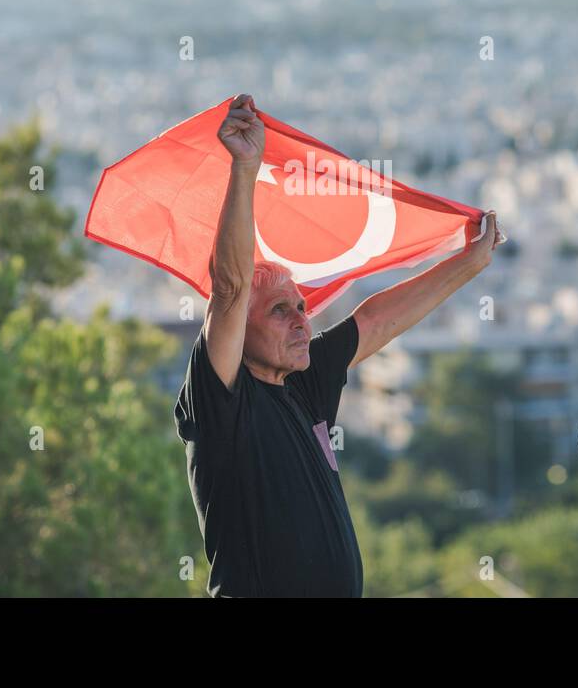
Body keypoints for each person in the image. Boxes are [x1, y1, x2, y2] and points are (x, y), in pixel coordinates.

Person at [174, 93, 503, 597]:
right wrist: (245, 168)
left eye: (302, 308)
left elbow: (375, 323)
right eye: (280, 311)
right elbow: (231, 288)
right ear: (239, 330)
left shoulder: (303, 383)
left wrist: (469, 263)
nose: (301, 321)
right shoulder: (222, 401)